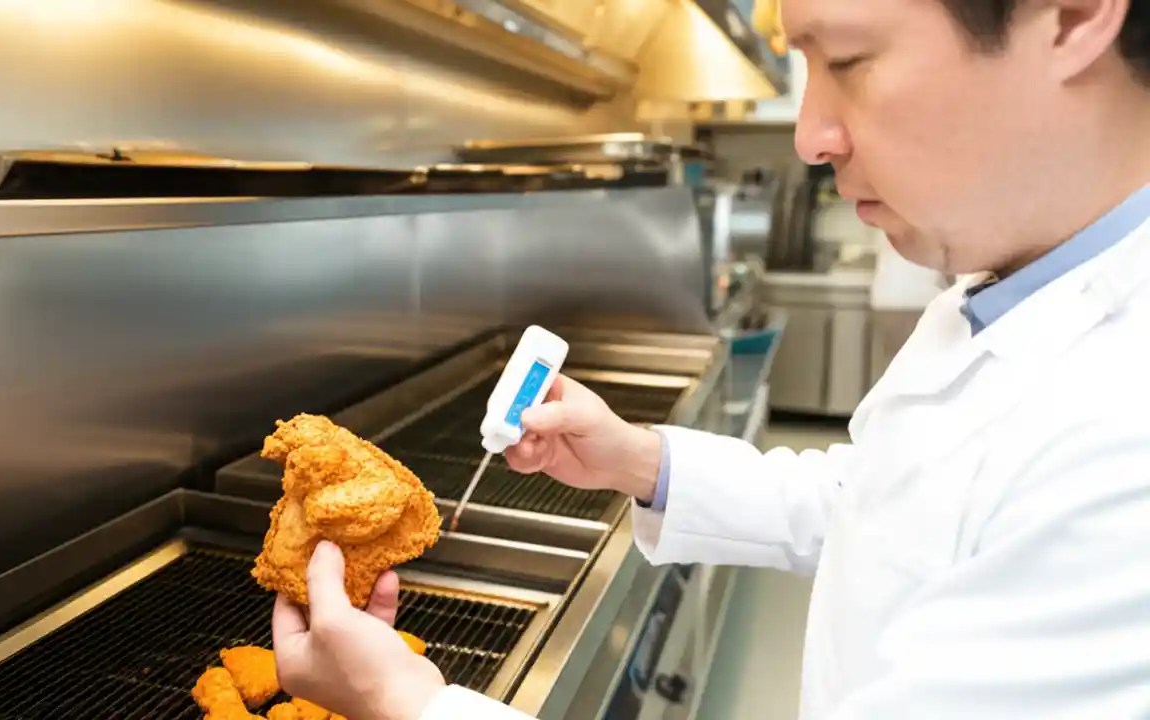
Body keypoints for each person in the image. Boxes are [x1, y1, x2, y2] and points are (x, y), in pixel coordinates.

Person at [269, 0, 1150, 717]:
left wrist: (409, 703)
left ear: (1070, 18)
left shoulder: (1125, 447)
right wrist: (644, 462)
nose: (810, 136)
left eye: (844, 60)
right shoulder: (1010, 286)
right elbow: (885, 505)